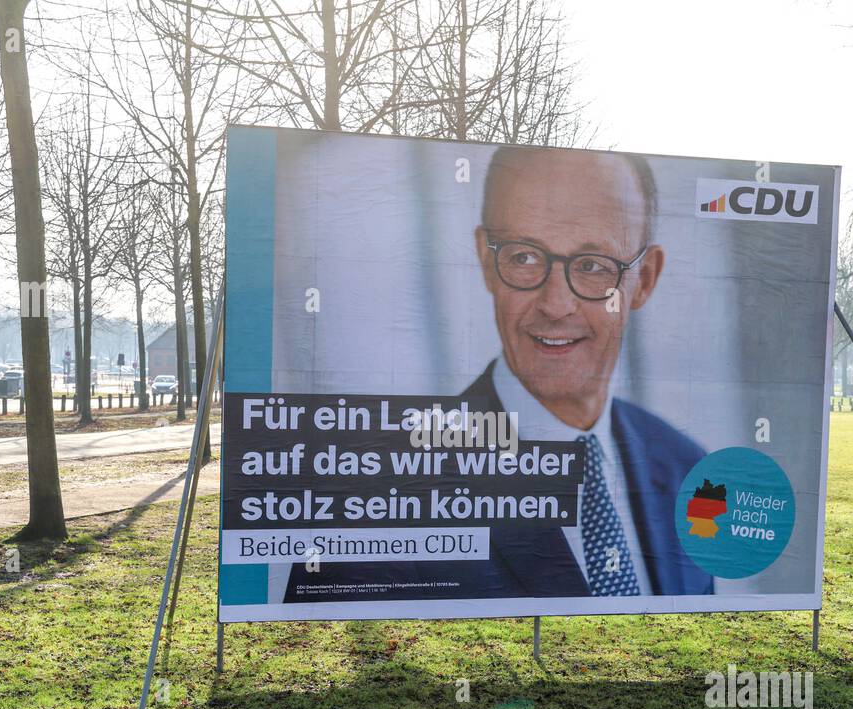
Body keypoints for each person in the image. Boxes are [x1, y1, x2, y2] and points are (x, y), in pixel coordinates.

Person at [284, 146, 713, 601]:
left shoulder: (691, 472)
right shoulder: (377, 491)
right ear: (487, 262)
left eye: (592, 266)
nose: (555, 304)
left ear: (644, 279)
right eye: (524, 257)